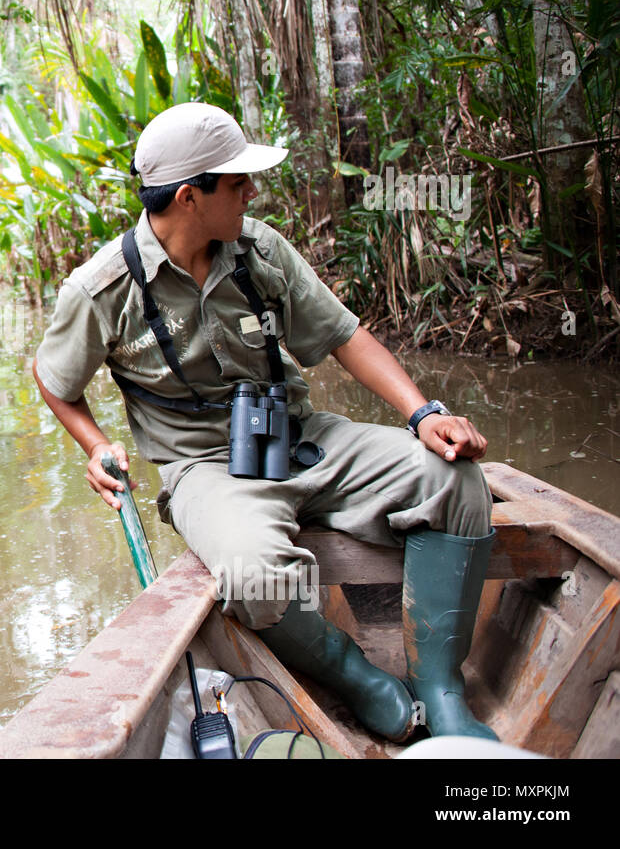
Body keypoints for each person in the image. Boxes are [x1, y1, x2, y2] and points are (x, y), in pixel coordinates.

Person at [31, 102, 498, 742]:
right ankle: (360, 680)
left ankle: (443, 691)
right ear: (190, 196)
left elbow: (344, 336)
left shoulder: (262, 249)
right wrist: (94, 444)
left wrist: (422, 414)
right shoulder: (101, 290)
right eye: (238, 182)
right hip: (206, 468)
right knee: (252, 573)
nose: (253, 190)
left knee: (455, 482)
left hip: (304, 437)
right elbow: (56, 382)